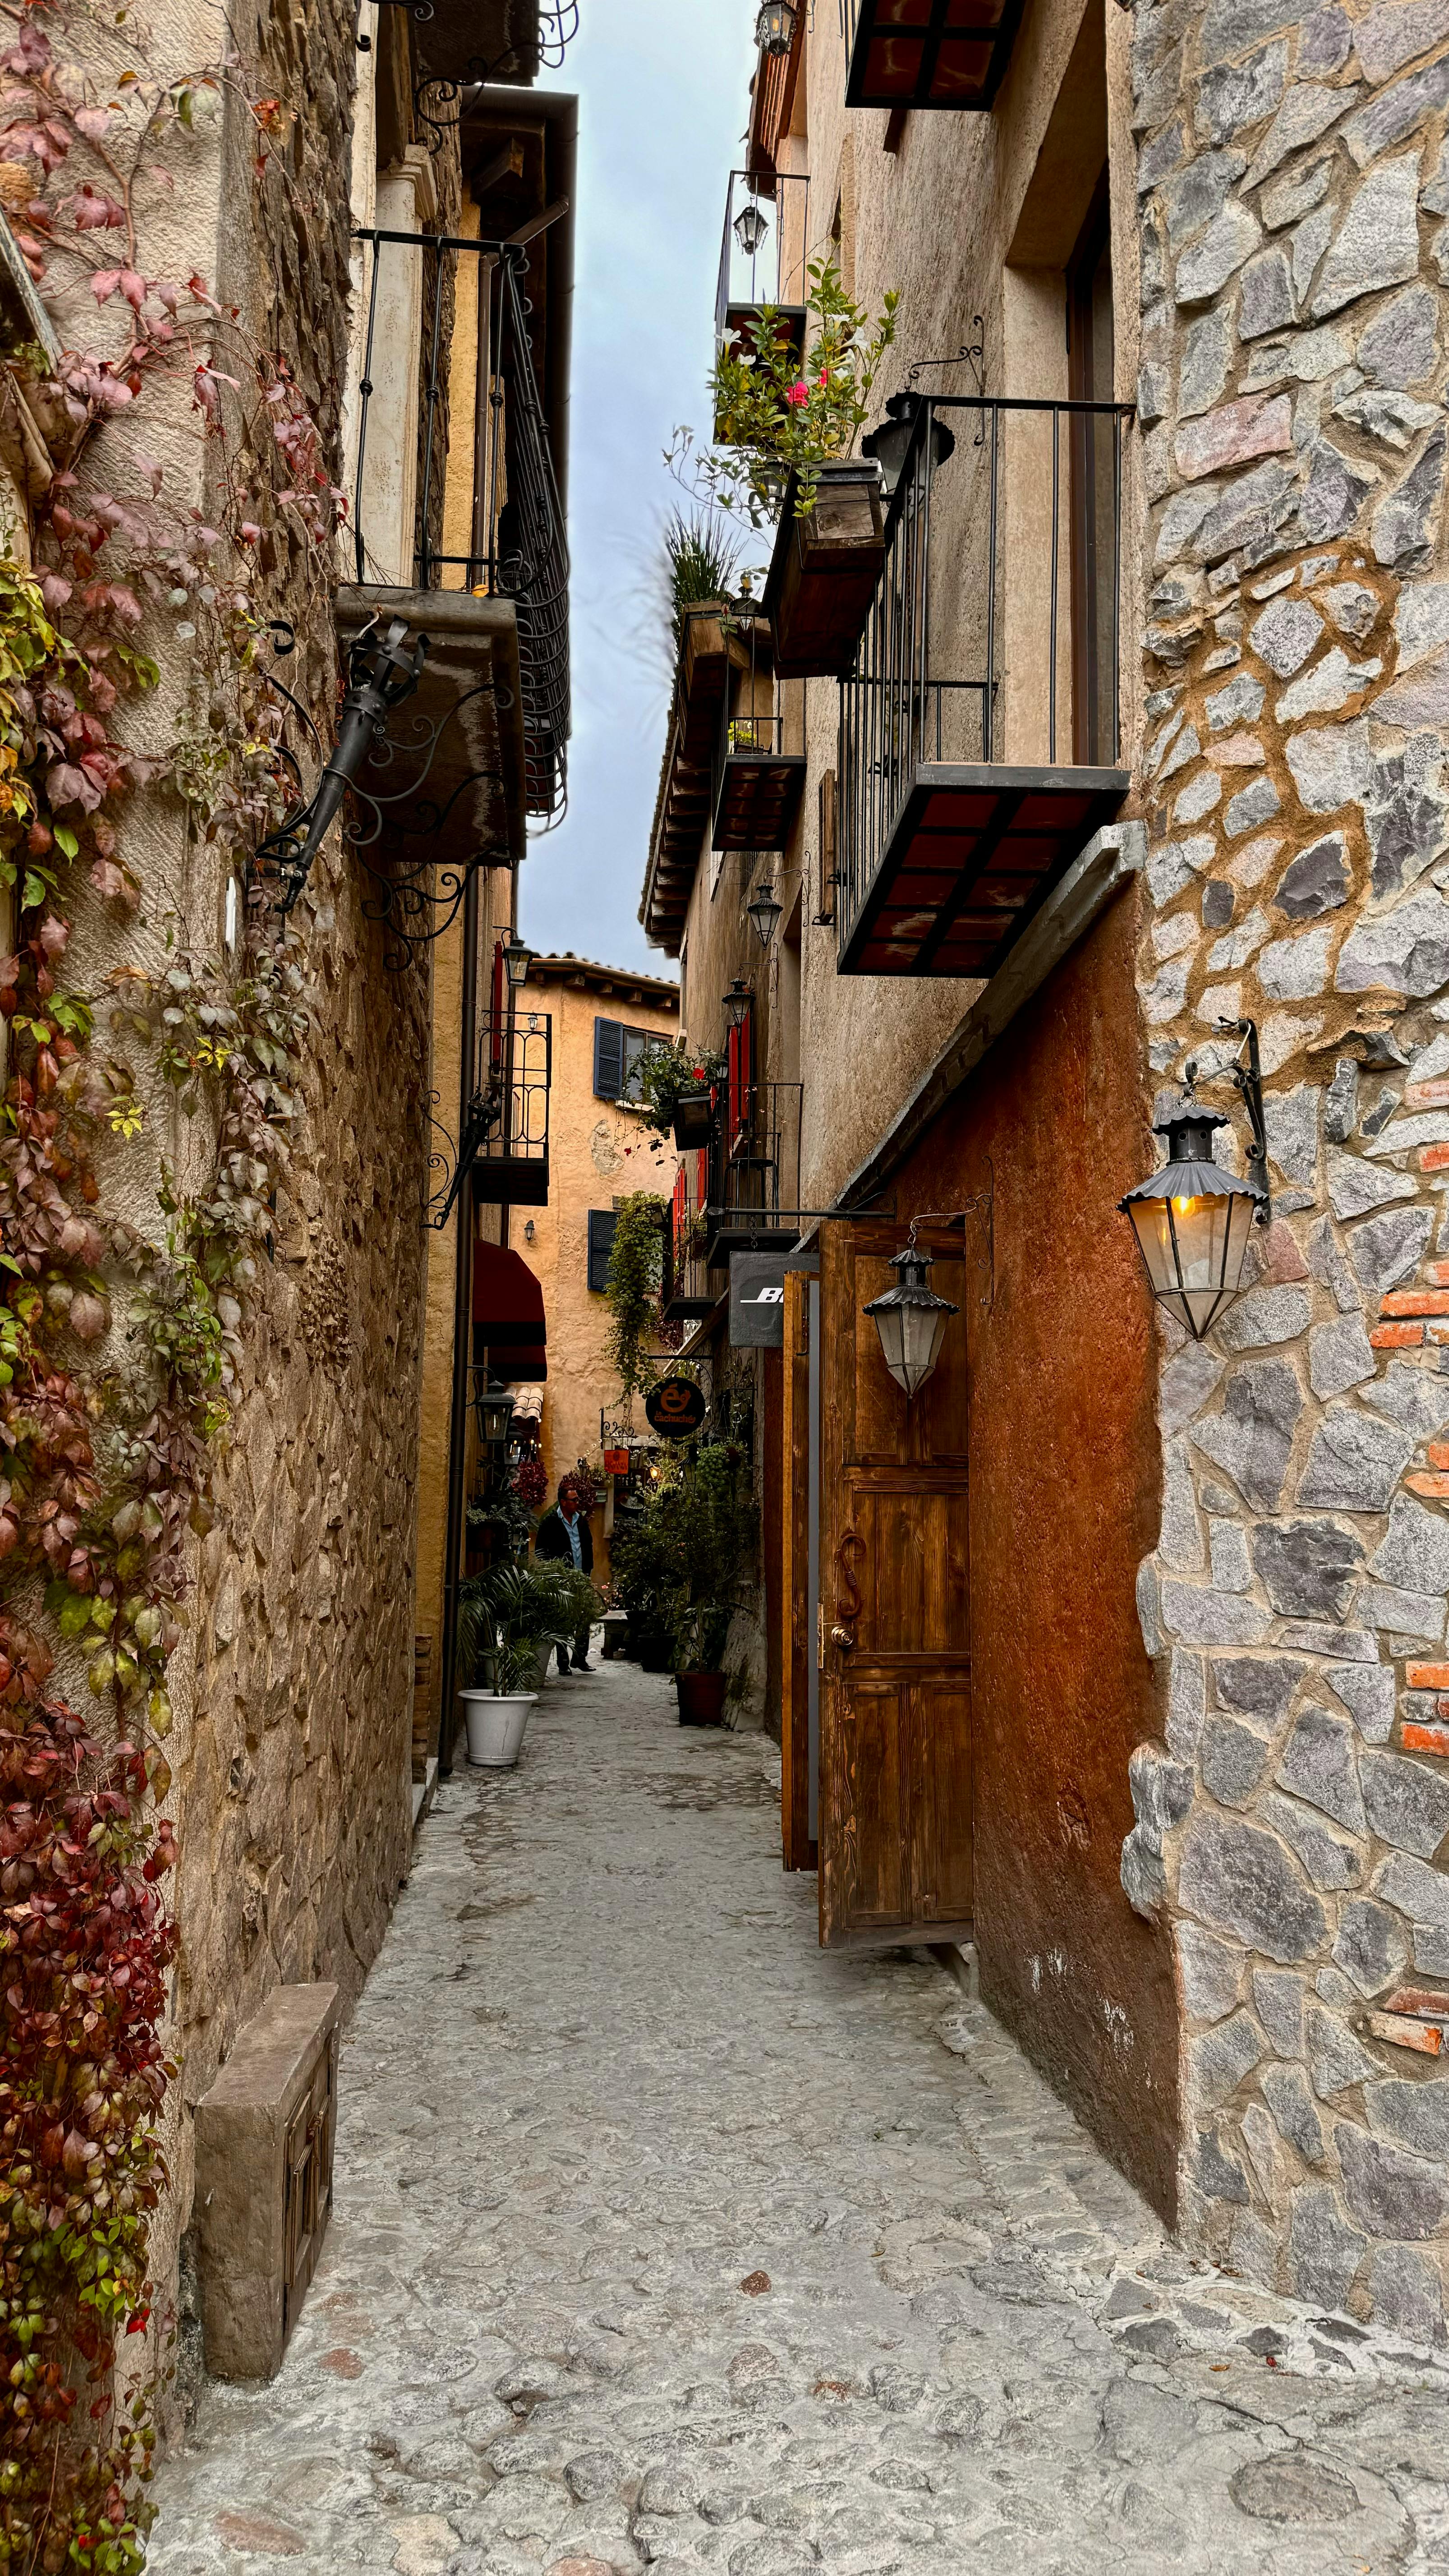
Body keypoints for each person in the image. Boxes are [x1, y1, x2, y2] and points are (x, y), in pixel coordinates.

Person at [534, 1473, 594, 1672]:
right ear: (563, 1502)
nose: (577, 1502)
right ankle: (563, 1663)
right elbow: (540, 1551)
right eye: (574, 1500)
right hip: (562, 1578)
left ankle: (580, 1658)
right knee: (563, 1620)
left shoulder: (581, 1521)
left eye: (577, 1499)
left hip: (581, 1576)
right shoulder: (551, 1522)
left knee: (584, 1617)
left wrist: (588, 1571)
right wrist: (553, 1571)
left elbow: (588, 1545)